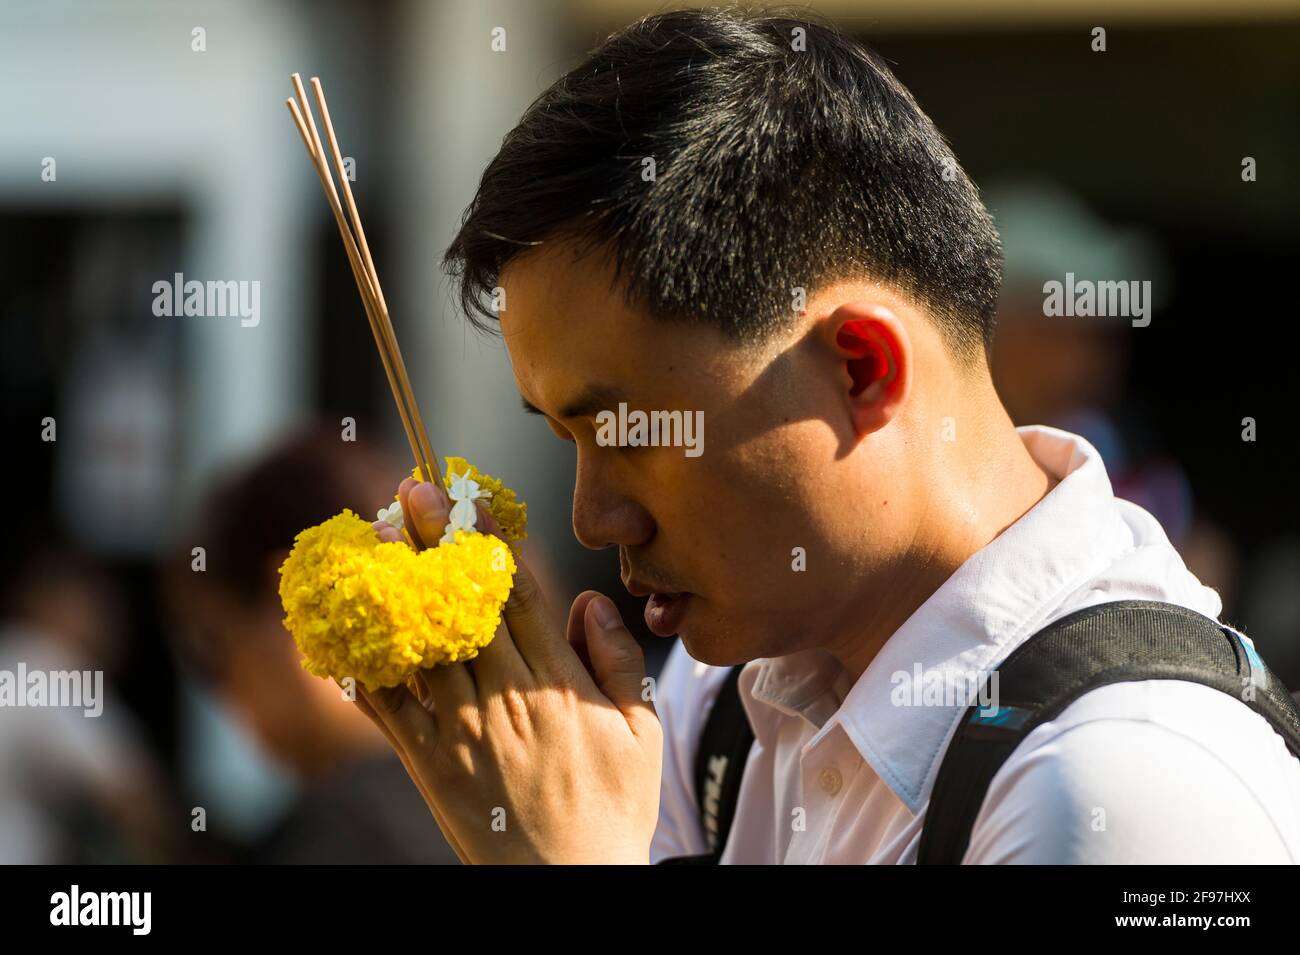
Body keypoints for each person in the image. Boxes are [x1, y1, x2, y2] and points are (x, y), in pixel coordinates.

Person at [355, 8, 1300, 863]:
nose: (594, 518)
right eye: (567, 438)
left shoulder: (1123, 792)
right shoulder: (731, 697)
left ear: (862, 368)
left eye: (630, 431)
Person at [166, 426, 460, 864]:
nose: (224, 698)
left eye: (213, 648)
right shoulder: (479, 798)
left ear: (296, 600)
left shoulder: (343, 835)